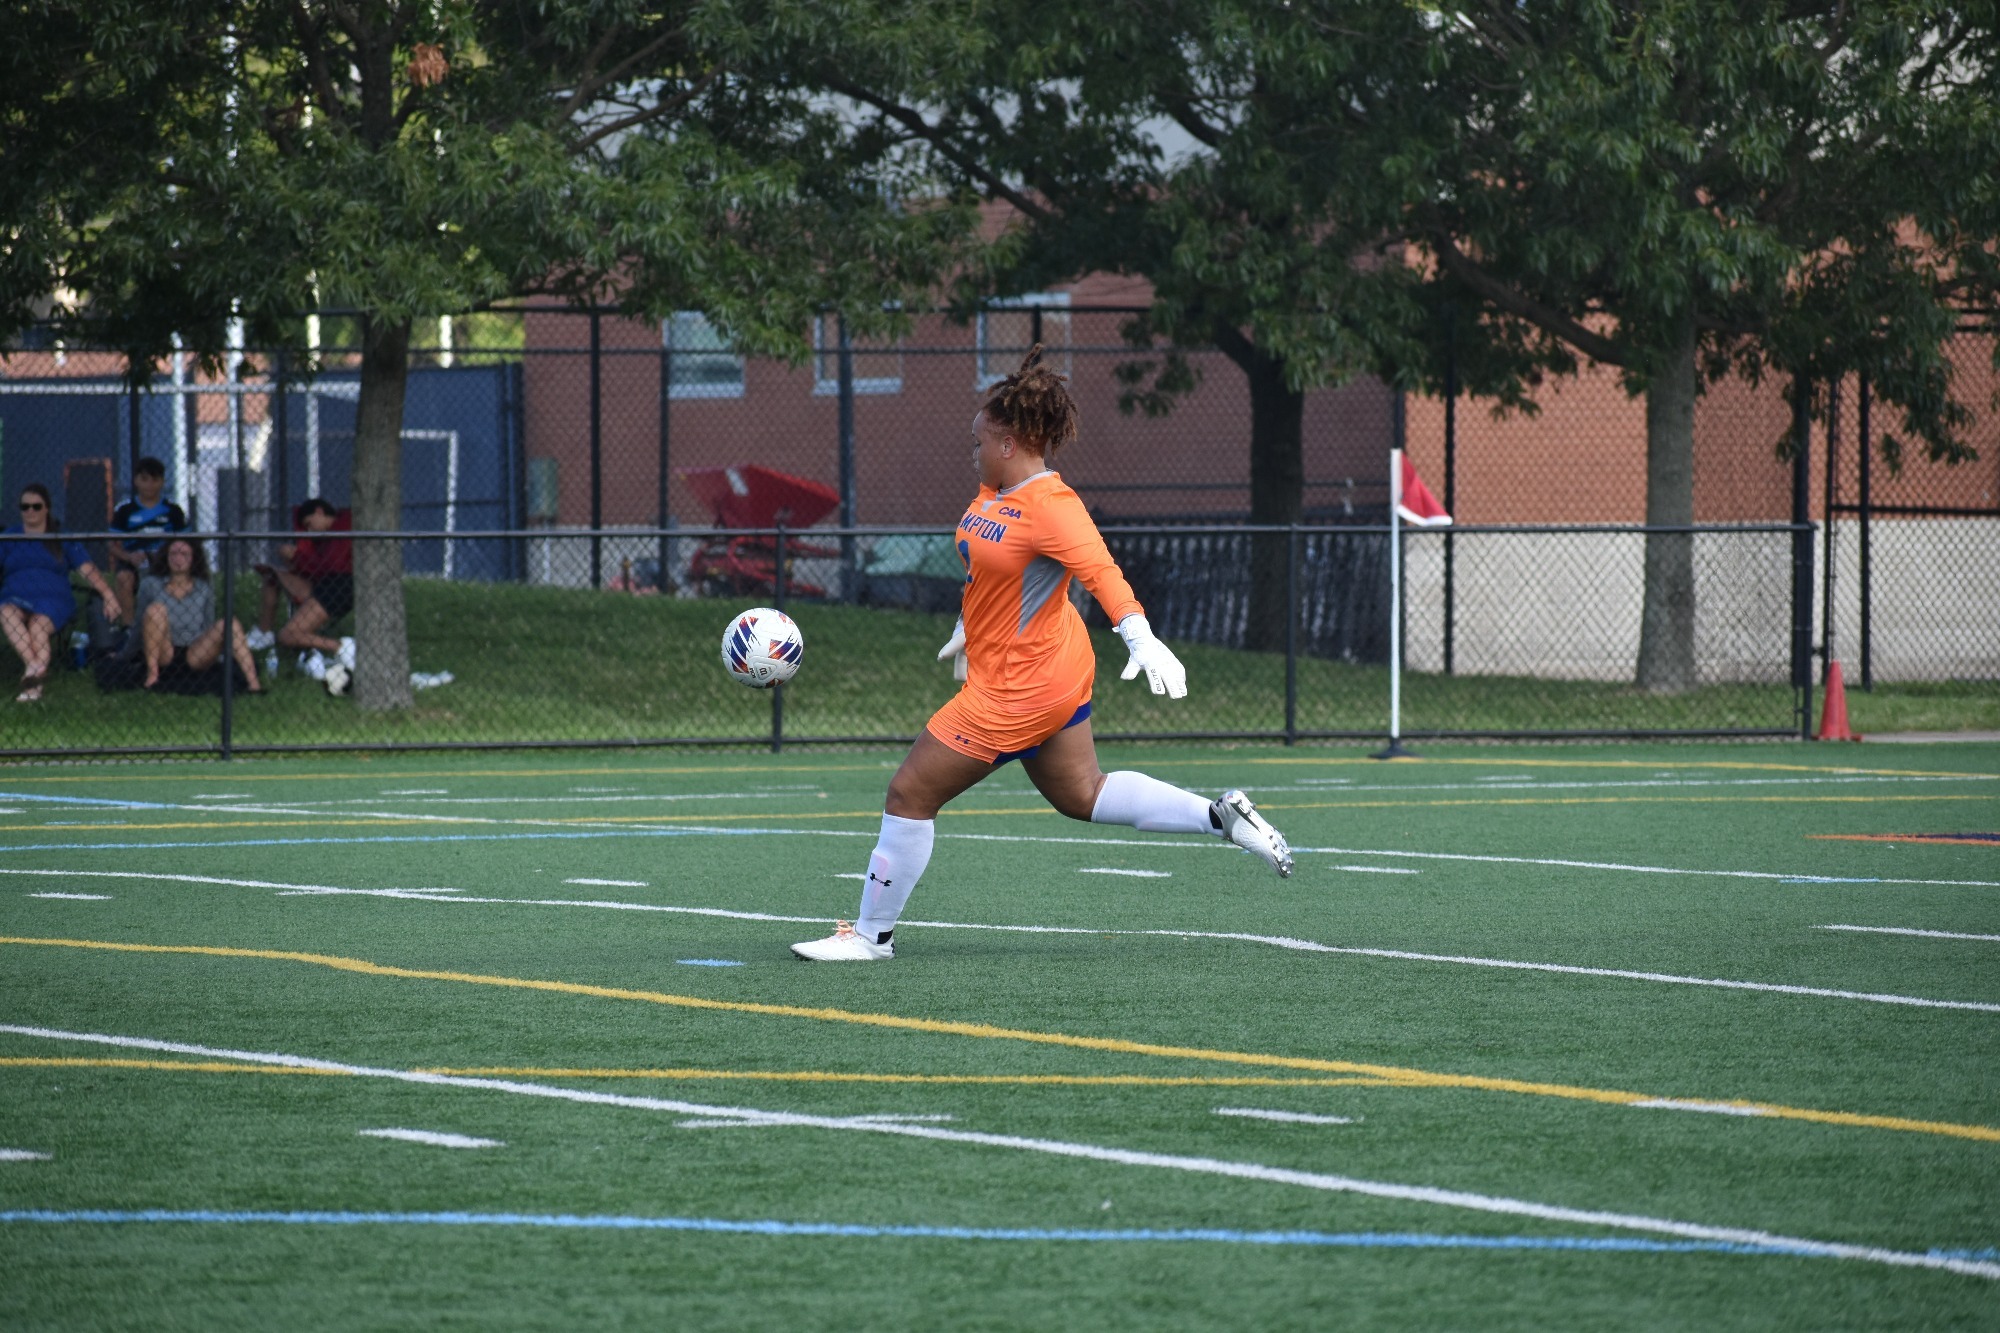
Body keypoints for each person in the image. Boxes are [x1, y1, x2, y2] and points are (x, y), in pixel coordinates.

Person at [792, 348, 1292, 963]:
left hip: (1020, 687)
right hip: (1043, 669)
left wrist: (1140, 636)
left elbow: (1102, 573)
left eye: (978, 440)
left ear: (1008, 441)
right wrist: (966, 626)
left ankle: (870, 938)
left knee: (909, 794)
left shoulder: (1054, 506)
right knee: (1082, 794)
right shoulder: (992, 492)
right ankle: (1221, 818)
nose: (972, 450)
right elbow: (988, 570)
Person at [0, 483, 125, 702]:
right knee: (5, 612)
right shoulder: (10, 537)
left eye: (36, 506)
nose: (30, 511)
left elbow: (87, 569)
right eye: (25, 506)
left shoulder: (61, 536)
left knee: (38, 627)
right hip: (15, 596)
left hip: (52, 598)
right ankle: (34, 666)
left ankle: (33, 685)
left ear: (46, 508)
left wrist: (108, 594)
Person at [133, 538, 262, 694]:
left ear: (193, 558)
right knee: (156, 610)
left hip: (194, 651)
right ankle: (152, 676)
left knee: (230, 623)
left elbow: (209, 624)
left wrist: (213, 649)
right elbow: (139, 623)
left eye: (184, 554)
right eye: (173, 553)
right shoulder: (150, 584)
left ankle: (254, 685)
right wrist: (124, 654)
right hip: (165, 650)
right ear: (166, 557)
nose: (178, 558)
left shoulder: (204, 587)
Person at [250, 497, 354, 678]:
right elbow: (314, 568)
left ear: (319, 512)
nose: (309, 530)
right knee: (271, 575)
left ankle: (342, 647)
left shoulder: (343, 526)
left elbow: (330, 565)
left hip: (340, 586)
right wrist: (291, 563)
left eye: (309, 523)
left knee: (287, 635)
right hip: (320, 585)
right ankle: (263, 633)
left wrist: (297, 557)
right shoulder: (319, 540)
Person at [107, 457, 189, 615]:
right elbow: (111, 544)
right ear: (136, 480)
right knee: (124, 578)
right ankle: (128, 630)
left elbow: (186, 543)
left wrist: (169, 556)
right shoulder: (125, 510)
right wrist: (129, 557)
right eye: (144, 479)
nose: (149, 485)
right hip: (133, 563)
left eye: (155, 480)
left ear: (162, 481)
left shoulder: (173, 511)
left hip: (168, 562)